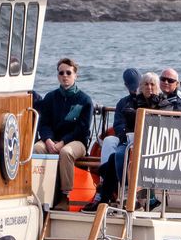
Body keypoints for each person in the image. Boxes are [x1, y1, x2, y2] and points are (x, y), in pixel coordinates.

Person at [95, 72, 172, 205]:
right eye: (146, 84)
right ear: (140, 86)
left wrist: (151, 107)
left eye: (152, 84)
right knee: (119, 155)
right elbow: (121, 124)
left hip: (154, 143)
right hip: (130, 140)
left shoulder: (164, 103)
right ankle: (119, 194)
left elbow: (165, 124)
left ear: (157, 86)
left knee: (113, 162)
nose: (149, 87)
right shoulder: (130, 102)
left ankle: (105, 197)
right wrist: (125, 133)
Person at [33, 57, 93, 208]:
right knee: (37, 148)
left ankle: (64, 195)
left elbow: (82, 129)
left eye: (68, 72)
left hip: (76, 142)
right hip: (53, 139)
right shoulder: (50, 97)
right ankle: (40, 192)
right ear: (58, 75)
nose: (65, 76)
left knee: (66, 152)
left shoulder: (84, 100)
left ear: (75, 75)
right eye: (61, 73)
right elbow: (43, 123)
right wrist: (47, 140)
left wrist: (63, 142)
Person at [99, 67, 142, 167]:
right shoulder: (122, 103)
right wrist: (127, 135)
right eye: (133, 88)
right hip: (127, 137)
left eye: (138, 86)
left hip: (144, 137)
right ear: (126, 86)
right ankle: (105, 177)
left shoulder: (150, 100)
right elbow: (118, 125)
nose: (136, 90)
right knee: (109, 141)